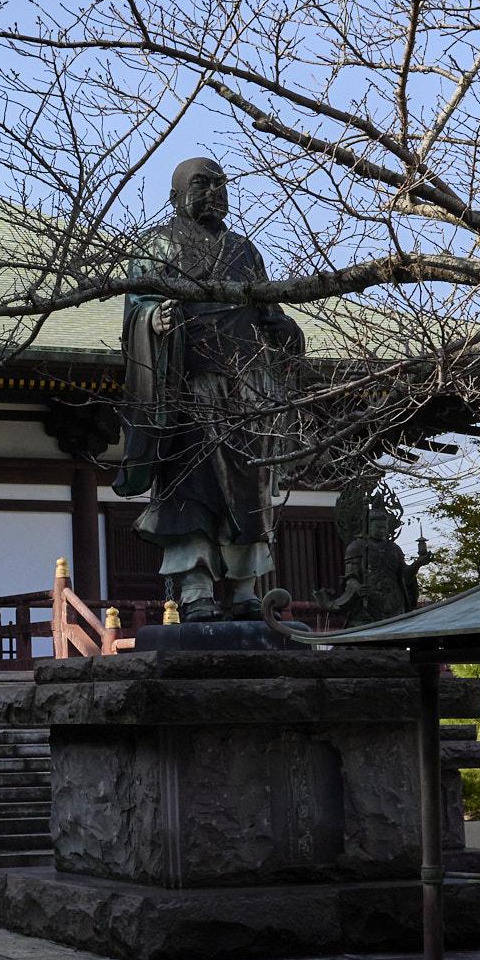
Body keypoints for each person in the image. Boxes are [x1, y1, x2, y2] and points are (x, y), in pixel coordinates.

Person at [116, 157, 303, 621]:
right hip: (188, 386)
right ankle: (195, 587)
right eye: (203, 184)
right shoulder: (156, 243)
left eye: (221, 184)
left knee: (248, 487)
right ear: (178, 192)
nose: (214, 192)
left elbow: (266, 308)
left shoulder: (245, 251)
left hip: (246, 387)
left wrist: (285, 331)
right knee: (190, 489)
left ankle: (244, 588)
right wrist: (153, 321)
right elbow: (139, 306)